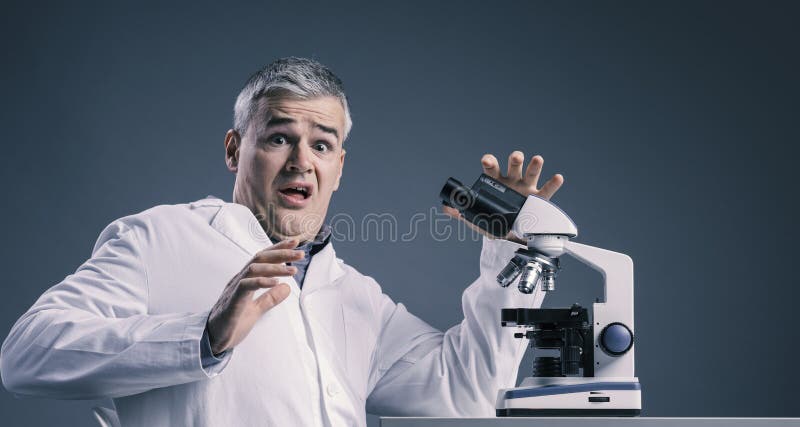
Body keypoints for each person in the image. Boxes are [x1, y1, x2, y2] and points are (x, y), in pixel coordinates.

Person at [0, 57, 564, 426]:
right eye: (278, 137)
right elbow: (25, 356)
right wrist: (205, 335)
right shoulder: (157, 239)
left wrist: (510, 259)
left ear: (339, 167)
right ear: (232, 150)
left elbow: (466, 395)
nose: (301, 162)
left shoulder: (357, 298)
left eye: (322, 145)